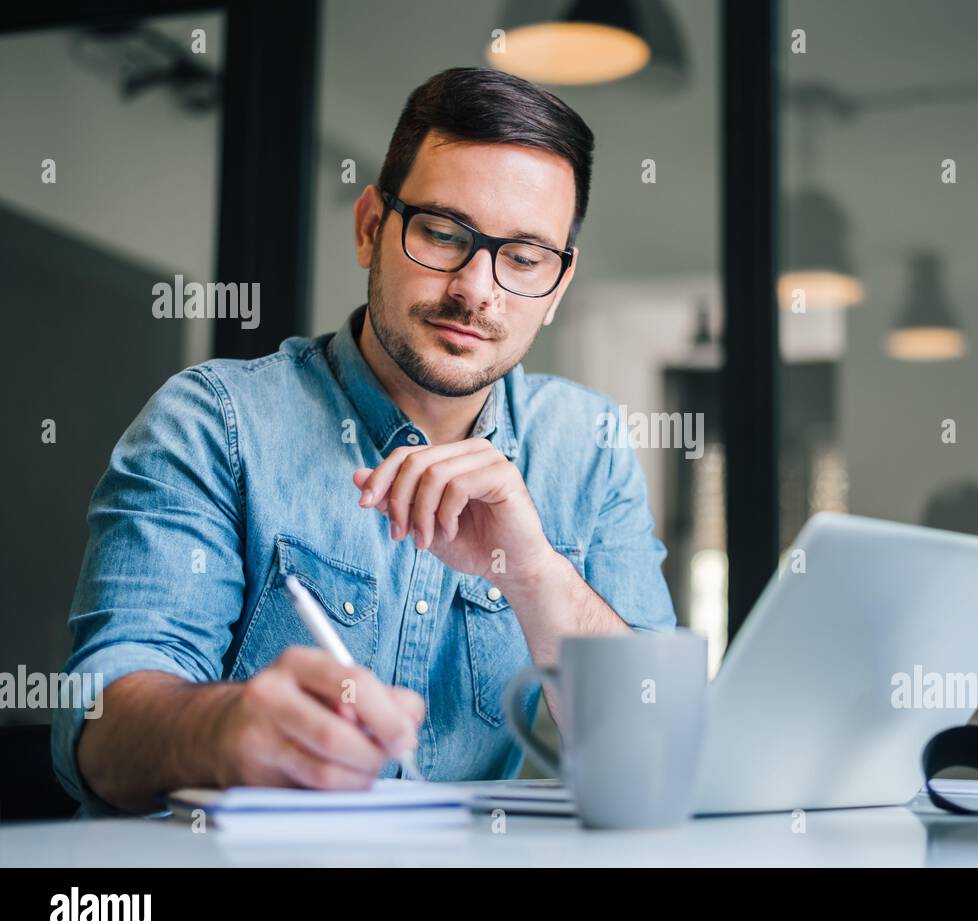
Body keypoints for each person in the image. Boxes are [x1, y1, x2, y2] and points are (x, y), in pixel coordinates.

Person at [54, 67, 675, 814]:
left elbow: (660, 744)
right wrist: (222, 729)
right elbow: (98, 723)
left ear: (557, 288)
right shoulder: (211, 422)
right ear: (370, 228)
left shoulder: (589, 446)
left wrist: (536, 573)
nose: (477, 289)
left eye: (523, 258)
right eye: (444, 234)